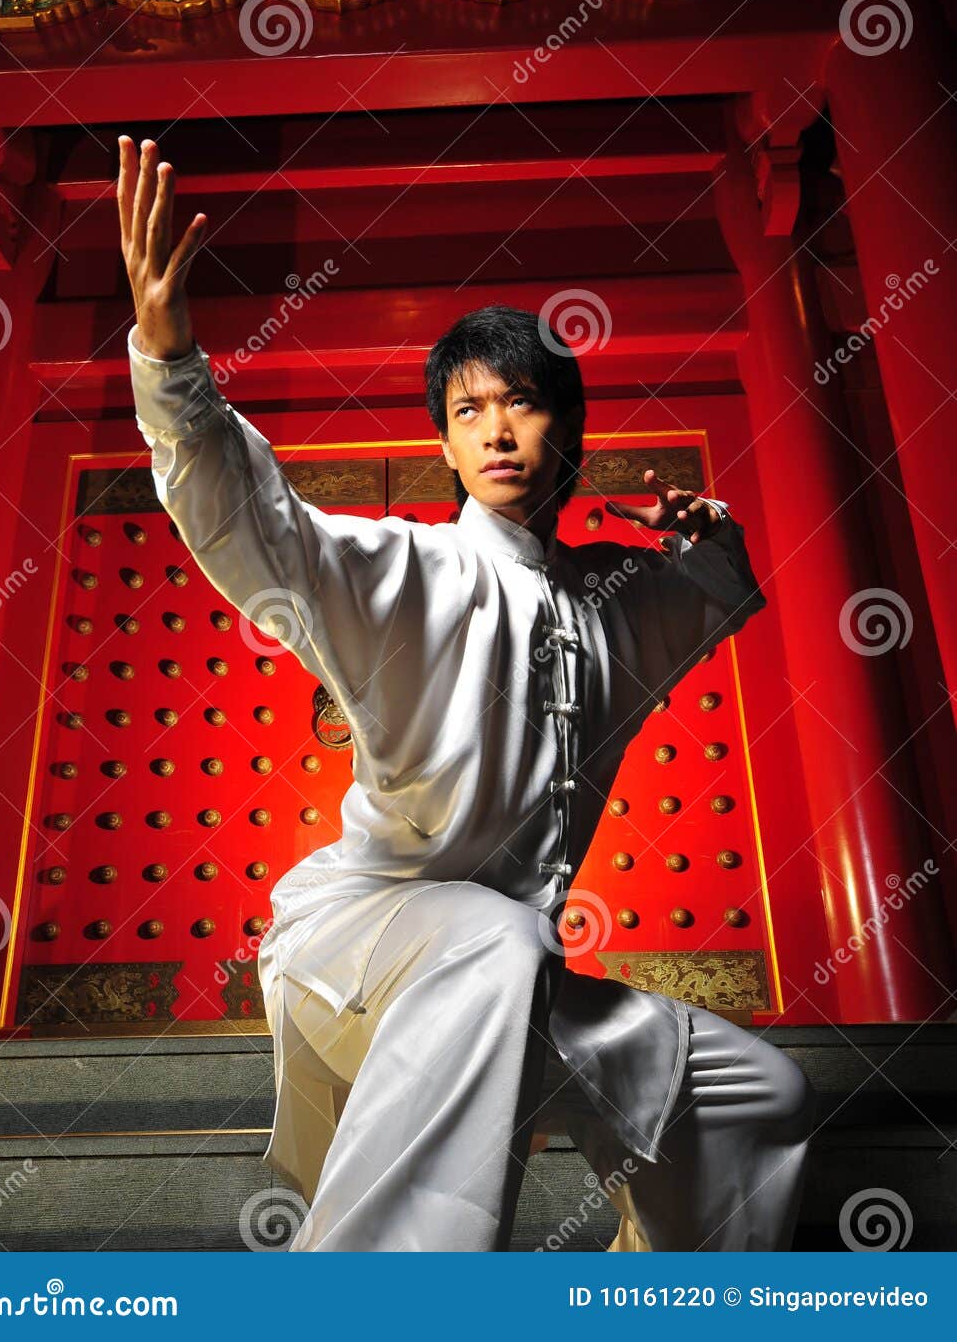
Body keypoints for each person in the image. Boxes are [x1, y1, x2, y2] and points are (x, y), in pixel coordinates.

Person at [118, 136, 815, 1253]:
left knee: (755, 1095)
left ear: (566, 432)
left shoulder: (614, 604)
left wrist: (711, 534)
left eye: (523, 404)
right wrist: (169, 360)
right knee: (494, 939)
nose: (495, 428)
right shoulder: (410, 572)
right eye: (469, 409)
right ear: (444, 438)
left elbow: (719, 594)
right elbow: (261, 529)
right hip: (363, 940)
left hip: (507, 972)